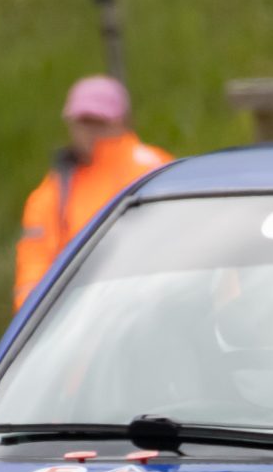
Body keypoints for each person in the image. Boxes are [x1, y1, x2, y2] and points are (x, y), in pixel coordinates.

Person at [12, 74, 169, 310]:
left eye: (99, 121)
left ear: (121, 122)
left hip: (145, 308)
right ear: (70, 123)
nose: (91, 131)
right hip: (78, 320)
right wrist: (35, 318)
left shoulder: (151, 169)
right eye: (84, 121)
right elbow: (33, 266)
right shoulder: (50, 193)